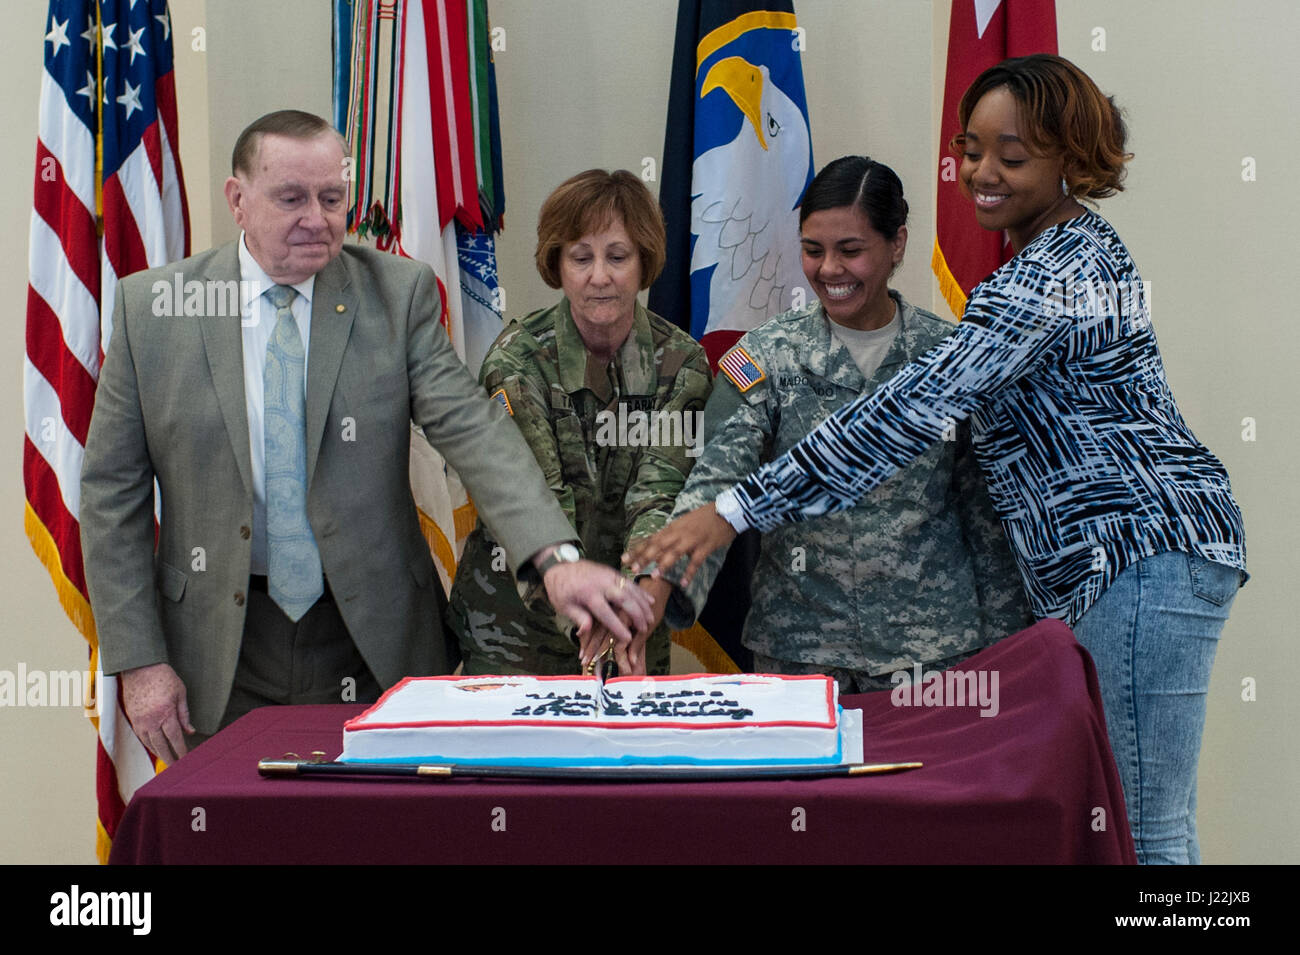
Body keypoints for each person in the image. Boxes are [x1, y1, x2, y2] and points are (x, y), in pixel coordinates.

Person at [627, 55, 1247, 865]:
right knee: (1136, 826)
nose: (983, 173)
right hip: (1117, 568)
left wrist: (736, 511)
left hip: (1137, 555)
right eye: (972, 149)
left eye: (1013, 156)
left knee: (1142, 832)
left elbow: (909, 412)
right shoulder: (1032, 262)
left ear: (1069, 158)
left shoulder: (1057, 271)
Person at [80, 111, 653, 764]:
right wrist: (139, 659)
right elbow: (111, 495)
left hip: (371, 636)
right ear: (237, 200)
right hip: (218, 644)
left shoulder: (397, 293)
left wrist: (556, 558)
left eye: (333, 198)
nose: (317, 219)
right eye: (291, 198)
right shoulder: (151, 311)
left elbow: (475, 432)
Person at [660, 156, 1031, 692]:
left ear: (897, 244)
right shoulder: (766, 356)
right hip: (800, 656)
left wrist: (1008, 654)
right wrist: (658, 585)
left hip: (932, 660)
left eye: (850, 250)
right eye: (813, 250)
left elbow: (985, 514)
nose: (829, 269)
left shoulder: (949, 358)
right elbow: (718, 481)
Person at [447, 169, 712, 676]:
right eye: (581, 257)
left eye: (618, 256)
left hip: (635, 612)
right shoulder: (517, 362)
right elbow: (537, 500)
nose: (600, 276)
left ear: (644, 261)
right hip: (517, 629)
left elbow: (659, 494)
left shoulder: (681, 361)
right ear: (557, 264)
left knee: (631, 752)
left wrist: (636, 602)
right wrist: (592, 619)